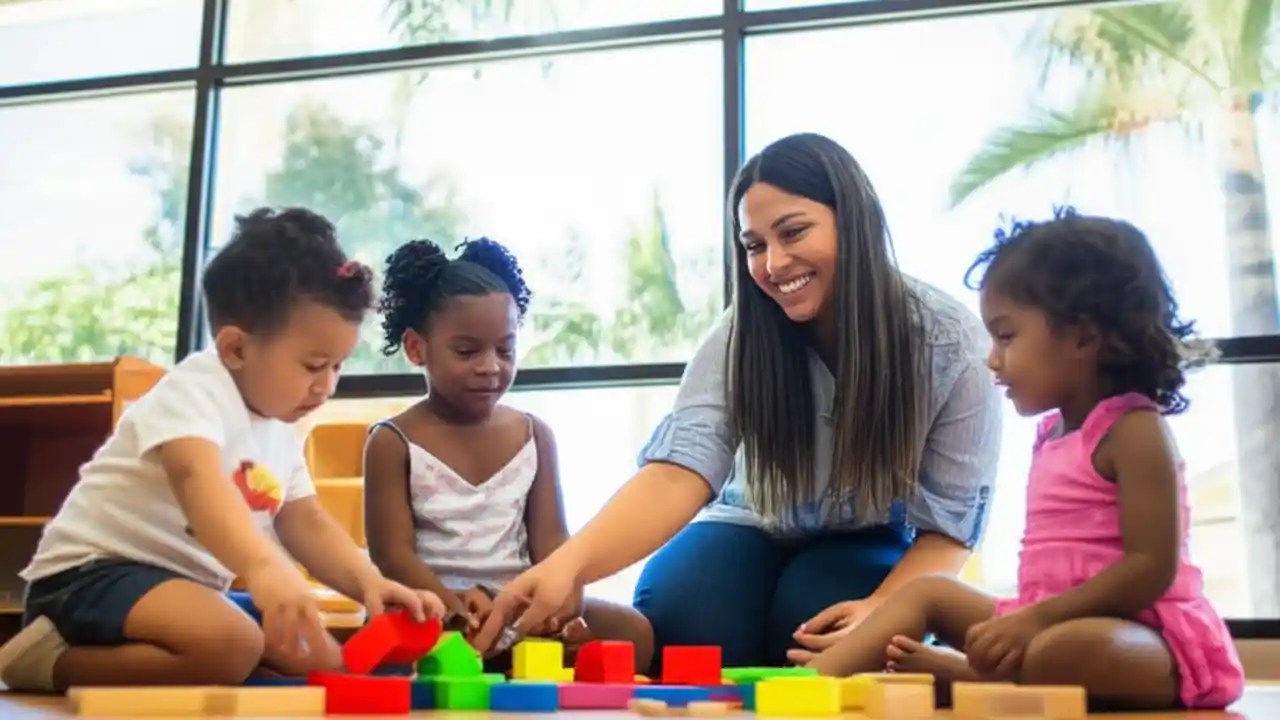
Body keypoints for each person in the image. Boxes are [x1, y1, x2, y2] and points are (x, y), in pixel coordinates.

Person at [471, 132, 1003, 669]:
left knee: (813, 628)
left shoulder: (951, 347)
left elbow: (947, 530)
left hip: (864, 535)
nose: (774, 263)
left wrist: (883, 609)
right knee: (690, 626)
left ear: (855, 221)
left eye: (794, 232)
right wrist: (570, 567)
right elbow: (679, 472)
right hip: (745, 521)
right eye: (754, 246)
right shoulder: (739, 335)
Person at [802, 209, 1245, 711]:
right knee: (929, 592)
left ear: (1083, 336)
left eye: (1007, 337)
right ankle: (804, 685)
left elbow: (1151, 569)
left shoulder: (1134, 431)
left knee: (1063, 652)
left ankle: (970, 677)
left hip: (1146, 638)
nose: (993, 358)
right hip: (1043, 622)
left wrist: (1036, 620)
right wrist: (1029, 618)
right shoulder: (1051, 435)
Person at [0, 208, 445, 692]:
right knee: (231, 645)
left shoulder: (276, 426)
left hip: (177, 591)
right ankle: (44, 664)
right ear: (235, 348)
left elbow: (306, 522)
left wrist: (368, 582)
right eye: (314, 365)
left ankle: (220, 669)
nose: (326, 386)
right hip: (89, 577)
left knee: (319, 655)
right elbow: (198, 479)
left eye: (337, 367)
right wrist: (263, 569)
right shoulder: (195, 388)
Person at [363, 237, 654, 670]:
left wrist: (560, 607)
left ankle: (521, 658)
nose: (490, 366)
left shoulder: (533, 434)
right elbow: (392, 556)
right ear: (416, 347)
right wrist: (454, 609)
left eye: (505, 349)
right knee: (386, 648)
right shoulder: (391, 441)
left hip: (517, 610)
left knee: (635, 633)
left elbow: (554, 546)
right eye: (466, 351)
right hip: (431, 610)